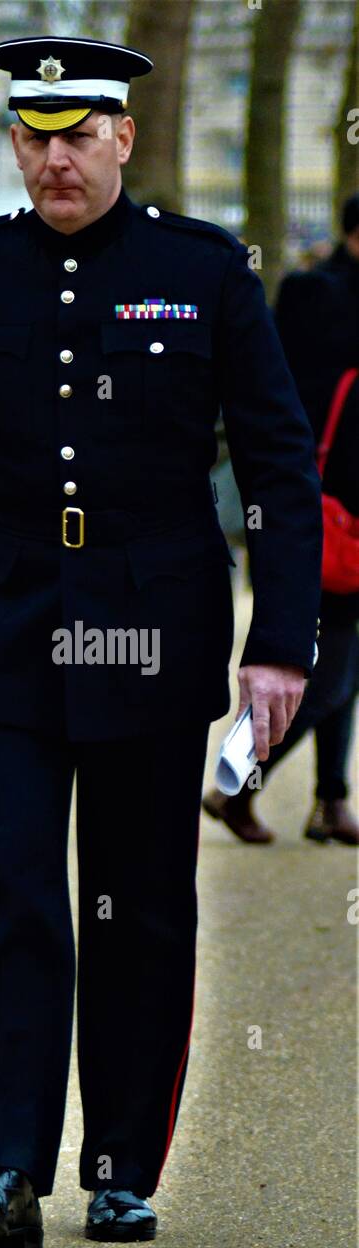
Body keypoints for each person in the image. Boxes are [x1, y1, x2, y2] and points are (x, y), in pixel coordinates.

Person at [0, 35, 322, 1248]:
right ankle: (6, 1170)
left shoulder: (205, 271)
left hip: (148, 625)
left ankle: (122, 1165)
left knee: (136, 904)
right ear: (13, 142)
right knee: (14, 886)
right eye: (34, 136)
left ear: (125, 137)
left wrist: (280, 643)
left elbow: (281, 467)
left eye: (79, 136)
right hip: (5, 628)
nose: (55, 158)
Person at [203, 194, 359, 846]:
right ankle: (236, 783)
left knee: (344, 664)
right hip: (317, 507)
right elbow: (281, 398)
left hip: (345, 504)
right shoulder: (311, 292)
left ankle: (328, 799)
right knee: (327, 670)